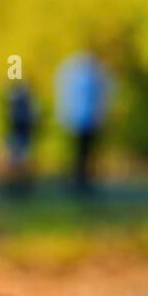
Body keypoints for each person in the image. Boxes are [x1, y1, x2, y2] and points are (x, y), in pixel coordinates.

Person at [53, 49, 110, 195]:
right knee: (84, 152)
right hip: (86, 119)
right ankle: (82, 181)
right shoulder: (92, 76)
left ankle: (82, 180)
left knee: (82, 152)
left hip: (81, 119)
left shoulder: (76, 75)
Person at [4, 83, 37, 195]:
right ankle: (18, 187)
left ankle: (19, 187)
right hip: (20, 134)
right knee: (18, 161)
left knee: (18, 161)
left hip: (20, 135)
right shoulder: (21, 102)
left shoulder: (15, 102)